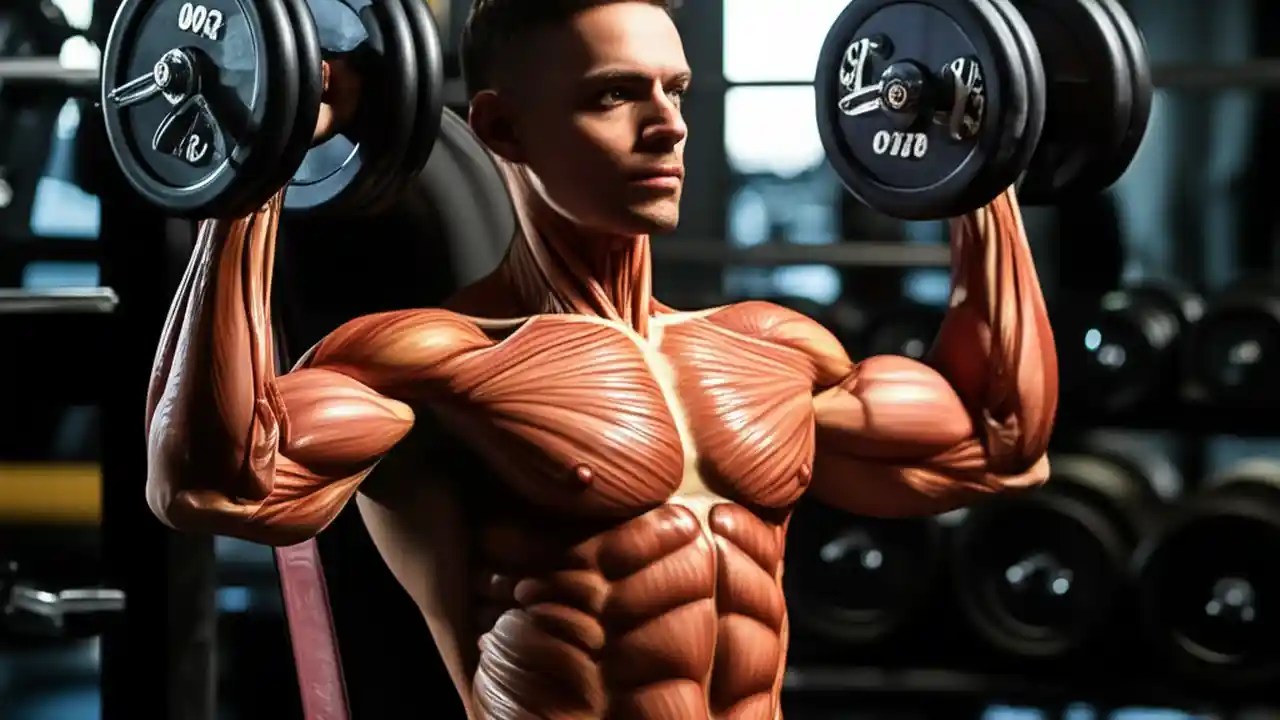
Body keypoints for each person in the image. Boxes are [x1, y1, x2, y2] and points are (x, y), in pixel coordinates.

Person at [143, 0, 1058, 717]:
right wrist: (250, 165)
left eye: (677, 90)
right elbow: (217, 481)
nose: (668, 126)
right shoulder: (434, 363)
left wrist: (974, 160)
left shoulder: (770, 349)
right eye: (615, 94)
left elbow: (998, 435)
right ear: (503, 131)